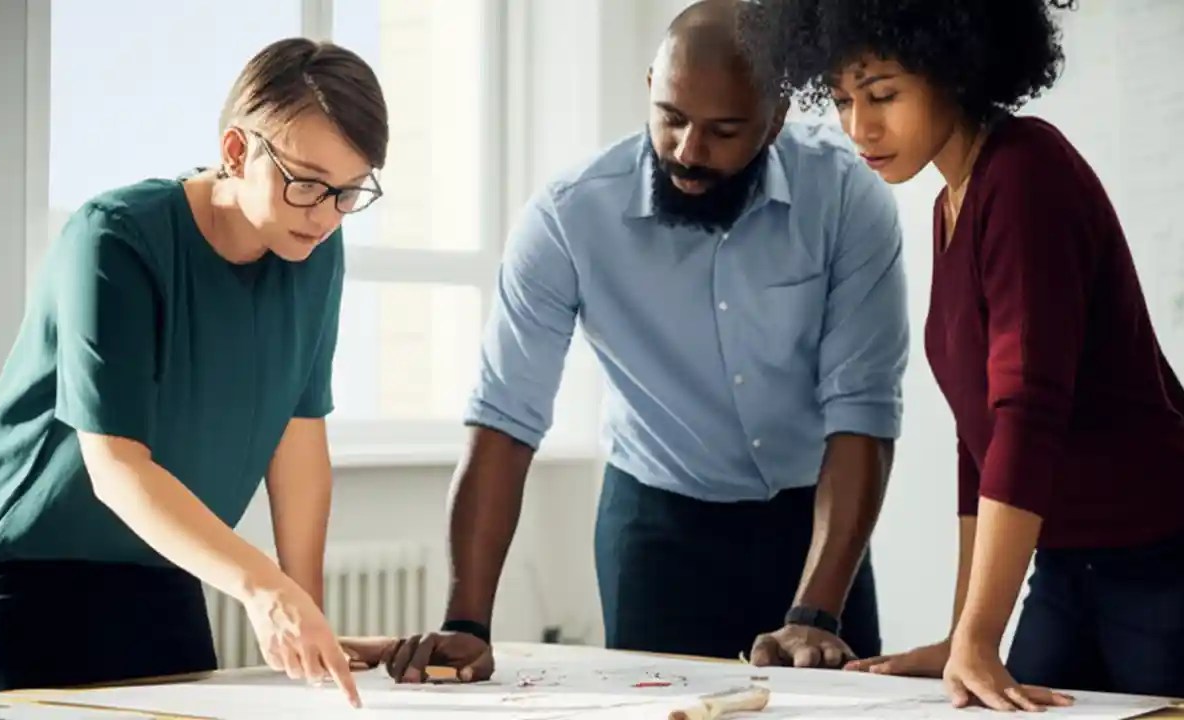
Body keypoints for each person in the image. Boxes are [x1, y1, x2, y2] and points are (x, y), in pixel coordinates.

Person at [368, 0, 909, 684]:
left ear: (775, 120)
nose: (688, 150)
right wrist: (466, 623)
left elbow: (861, 411)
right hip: (658, 521)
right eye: (672, 117)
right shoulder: (569, 218)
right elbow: (505, 423)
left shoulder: (845, 196)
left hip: (815, 517)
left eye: (723, 130)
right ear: (650, 82)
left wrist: (818, 611)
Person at [758, 0, 1184, 709]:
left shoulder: (1028, 173)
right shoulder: (952, 203)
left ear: (953, 70)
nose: (858, 128)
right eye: (844, 100)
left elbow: (1028, 411)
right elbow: (983, 439)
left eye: (882, 96)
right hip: (1063, 565)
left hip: (1167, 560)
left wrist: (977, 636)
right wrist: (965, 632)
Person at [0, 37, 387, 703]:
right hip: (21, 573)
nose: (325, 215)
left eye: (349, 193)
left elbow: (298, 435)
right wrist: (265, 588)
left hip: (162, 563)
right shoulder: (114, 237)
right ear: (237, 151)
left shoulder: (315, 248)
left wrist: (305, 615)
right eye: (306, 184)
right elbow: (117, 466)